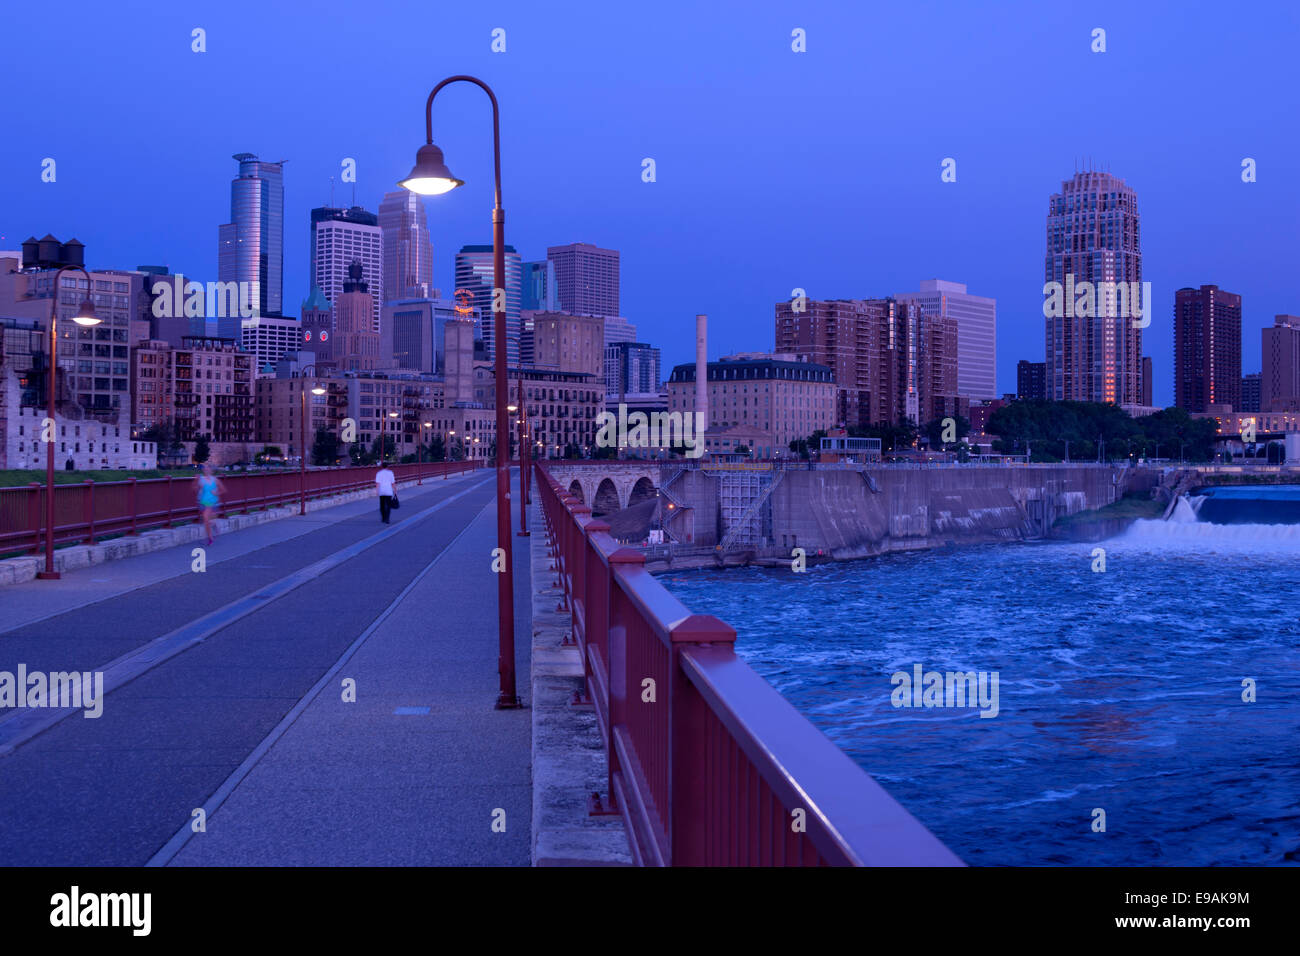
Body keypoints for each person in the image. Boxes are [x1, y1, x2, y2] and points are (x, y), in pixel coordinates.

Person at [196, 462, 225, 546]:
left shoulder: (215, 479)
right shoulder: (200, 479)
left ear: (211, 470)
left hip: (212, 502)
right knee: (207, 520)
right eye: (204, 468)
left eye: (208, 468)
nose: (206, 469)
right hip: (203, 502)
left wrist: (216, 493)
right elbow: (195, 489)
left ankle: (210, 538)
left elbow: (223, 490)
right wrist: (196, 481)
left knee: (205, 518)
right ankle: (214, 526)